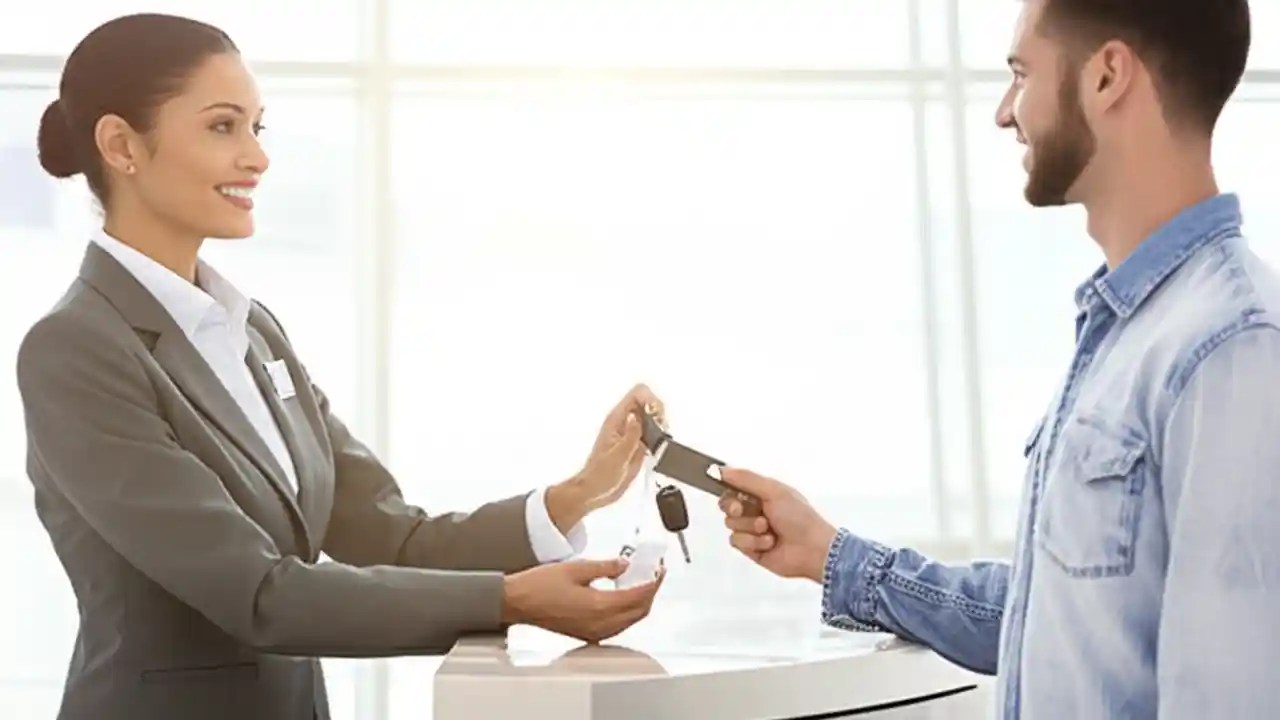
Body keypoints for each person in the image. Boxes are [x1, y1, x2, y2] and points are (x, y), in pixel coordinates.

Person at [17, 14, 664, 720]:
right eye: (223, 126)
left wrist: (579, 494)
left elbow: (392, 536)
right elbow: (259, 594)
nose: (258, 158)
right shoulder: (77, 350)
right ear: (121, 145)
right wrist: (511, 600)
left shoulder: (252, 331)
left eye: (257, 129)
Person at [718, 1, 1279, 718]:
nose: (1005, 113)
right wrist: (830, 555)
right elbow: (1050, 615)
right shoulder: (1131, 335)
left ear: (1107, 76)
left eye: (1021, 74)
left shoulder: (1230, 346)